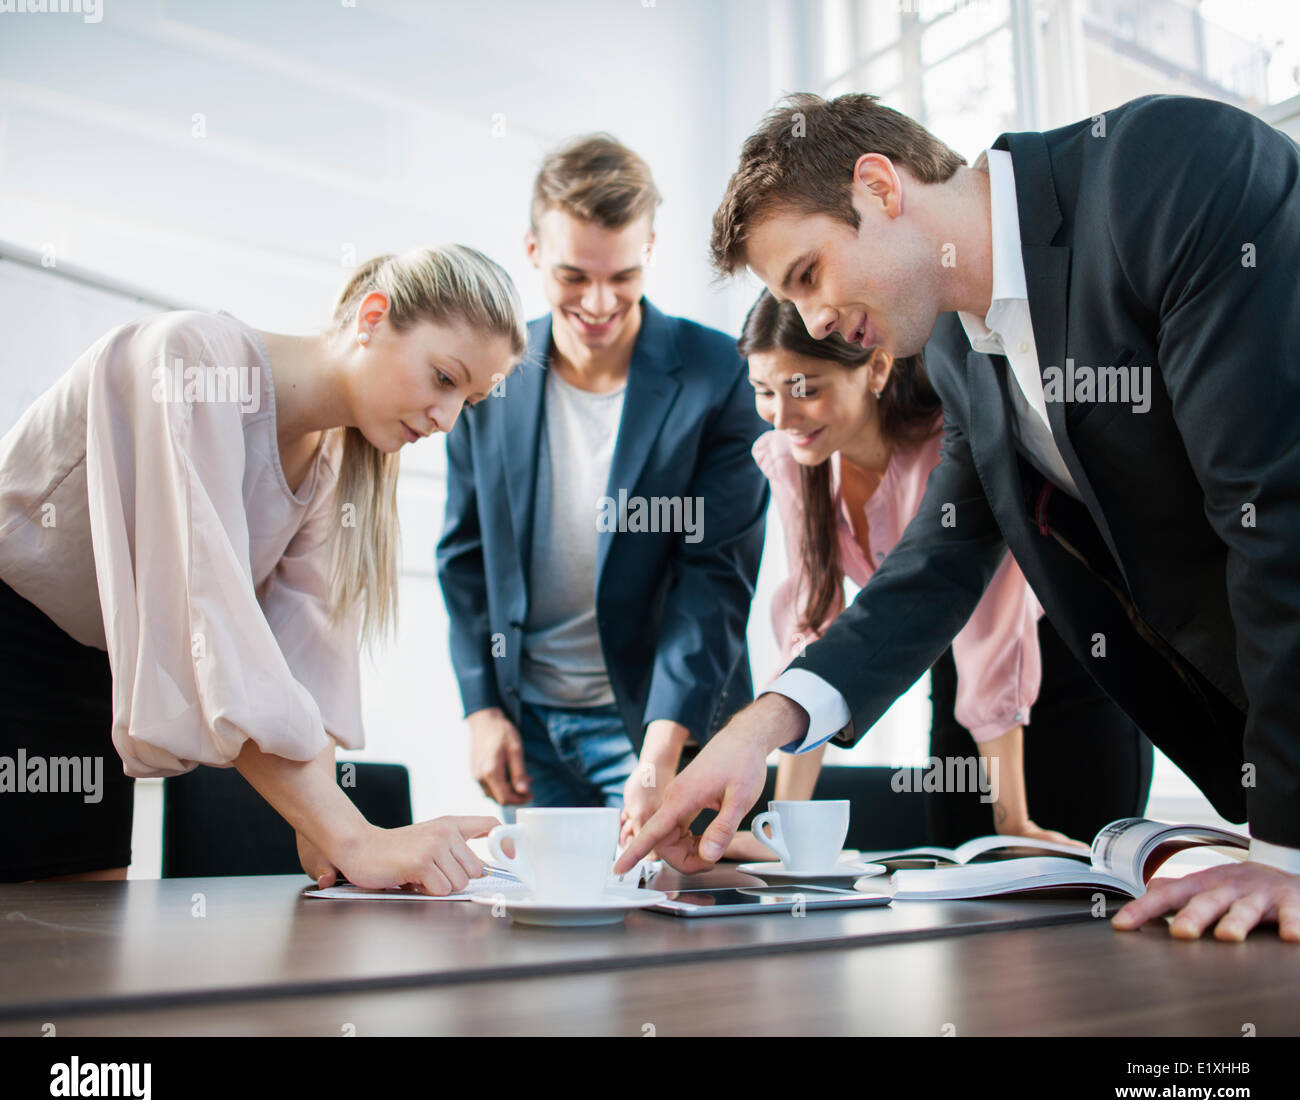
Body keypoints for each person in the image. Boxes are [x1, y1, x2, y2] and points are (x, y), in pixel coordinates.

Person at [619, 93, 1300, 943]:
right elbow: (939, 561)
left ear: (878, 186)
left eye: (807, 276)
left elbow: (1277, 505)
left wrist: (1286, 851)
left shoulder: (1163, 168)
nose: (816, 321)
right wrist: (764, 725)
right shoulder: (952, 348)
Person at [0, 246, 525, 895]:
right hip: (13, 638)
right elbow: (205, 630)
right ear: (372, 317)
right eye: (445, 378)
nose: (447, 421)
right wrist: (352, 838)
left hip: (95, 667)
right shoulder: (193, 361)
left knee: (77, 936)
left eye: (468, 402)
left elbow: (306, 662)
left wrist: (326, 830)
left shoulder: (336, 462)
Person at [722, 291, 1151, 862]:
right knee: (961, 885)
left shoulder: (949, 446)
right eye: (764, 392)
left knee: (1076, 898)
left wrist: (1012, 820)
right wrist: (782, 830)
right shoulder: (797, 459)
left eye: (807, 389)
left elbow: (990, 633)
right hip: (959, 683)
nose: (783, 415)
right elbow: (811, 642)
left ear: (875, 368)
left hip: (1071, 667)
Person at [436, 134, 768, 841]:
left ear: (650, 244)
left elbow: (714, 580)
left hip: (667, 724)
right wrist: (482, 708)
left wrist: (660, 752)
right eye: (572, 276)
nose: (597, 302)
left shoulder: (717, 376)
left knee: (695, 933)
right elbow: (463, 557)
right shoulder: (488, 378)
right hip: (532, 730)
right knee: (552, 936)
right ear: (531, 251)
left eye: (621, 275)